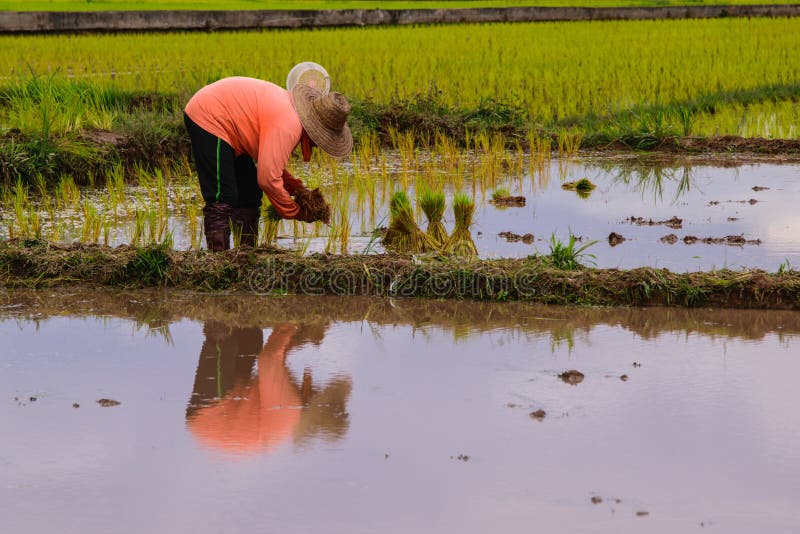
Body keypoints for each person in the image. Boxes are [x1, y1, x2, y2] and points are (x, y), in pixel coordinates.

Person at [184, 76, 353, 251]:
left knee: (249, 192)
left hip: (230, 127)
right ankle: (219, 264)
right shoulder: (288, 126)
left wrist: (296, 189)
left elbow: (270, 165)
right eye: (322, 139)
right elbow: (268, 179)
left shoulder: (291, 116)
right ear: (317, 130)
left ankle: (246, 255)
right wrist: (296, 212)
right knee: (222, 196)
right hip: (210, 116)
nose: (318, 145)